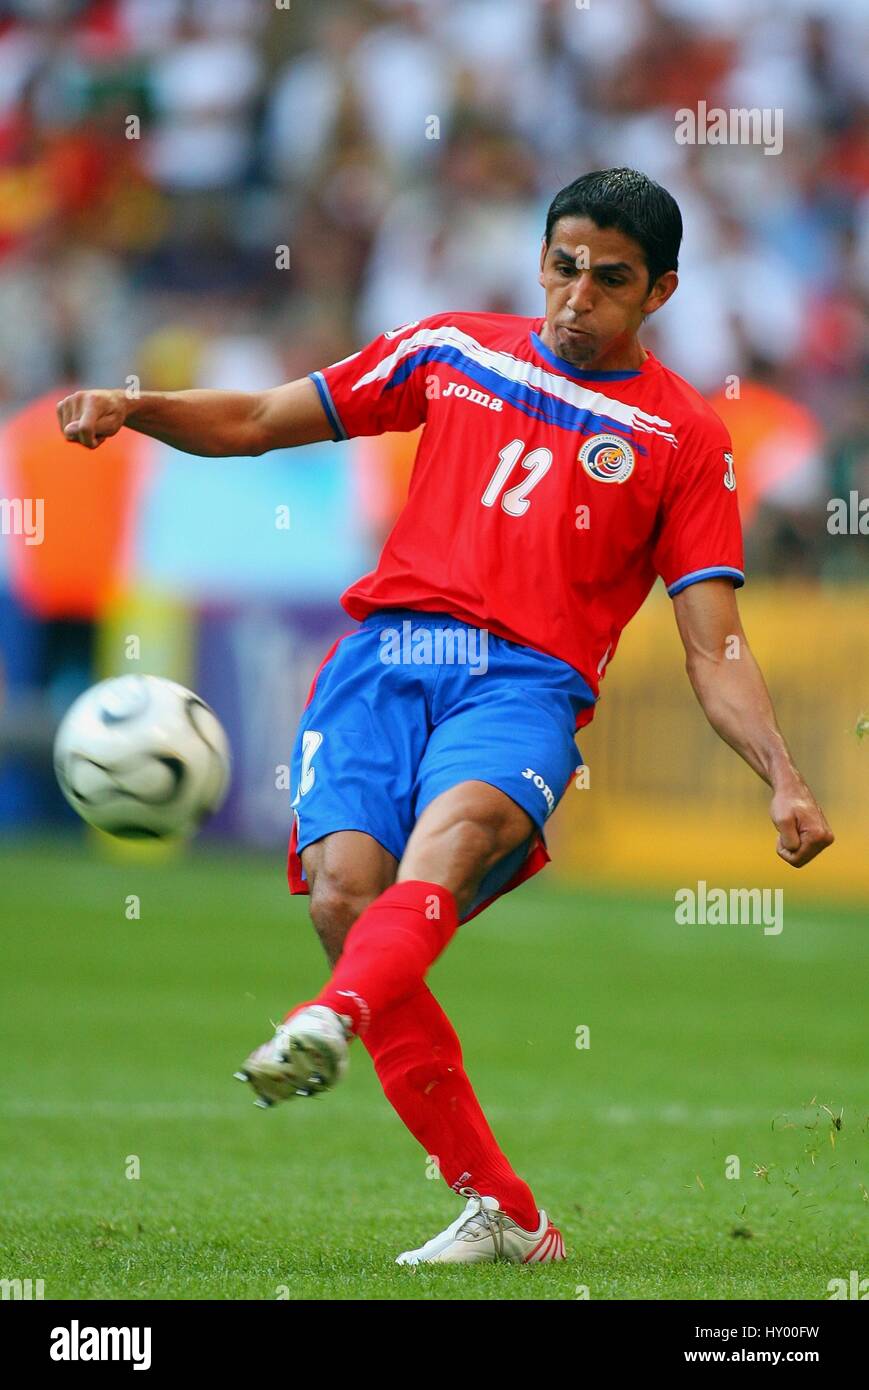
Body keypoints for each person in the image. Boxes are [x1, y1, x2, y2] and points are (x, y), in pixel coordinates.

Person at [56, 168, 833, 1266]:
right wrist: (139, 408)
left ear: (657, 292)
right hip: (383, 659)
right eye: (563, 266)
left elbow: (714, 645)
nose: (576, 296)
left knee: (453, 838)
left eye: (609, 280)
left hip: (522, 681)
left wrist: (781, 774)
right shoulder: (451, 348)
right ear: (538, 260)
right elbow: (259, 419)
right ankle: (505, 1216)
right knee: (343, 895)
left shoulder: (681, 439)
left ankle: (328, 1017)